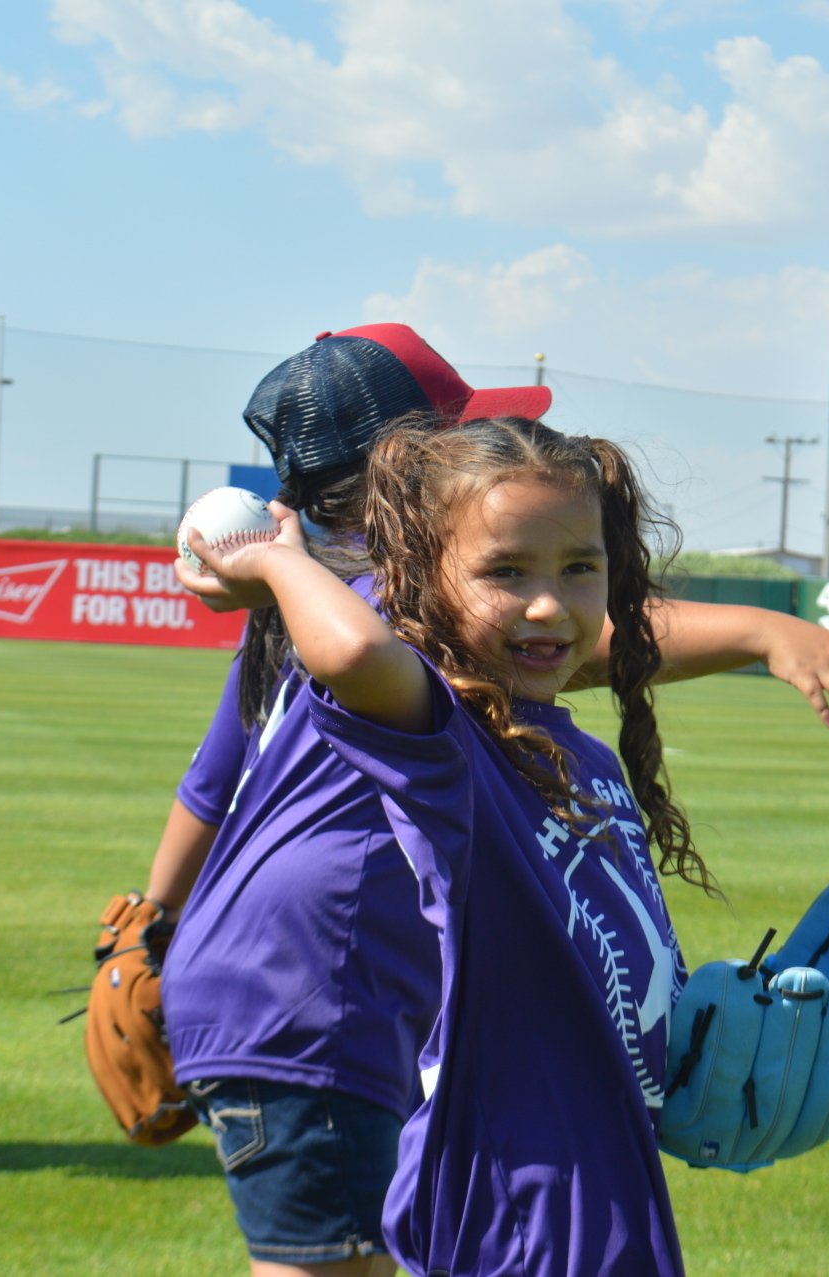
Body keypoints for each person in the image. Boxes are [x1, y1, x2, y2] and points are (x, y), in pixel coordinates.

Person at [138, 326, 829, 1276]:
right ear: (407, 491)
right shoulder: (381, 619)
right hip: (306, 999)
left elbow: (212, 789)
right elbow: (541, 634)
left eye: (579, 563)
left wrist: (142, 922)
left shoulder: (354, 633)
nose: (546, 600)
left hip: (337, 1001)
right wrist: (757, 631)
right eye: (465, 437)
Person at [188, 415, 706, 1273]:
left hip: (610, 1185)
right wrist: (283, 562)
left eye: (580, 566)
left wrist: (711, 1046)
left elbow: (613, 983)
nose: (549, 602)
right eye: (506, 571)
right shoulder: (445, 742)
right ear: (420, 583)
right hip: (517, 1197)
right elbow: (354, 649)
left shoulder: (584, 756)